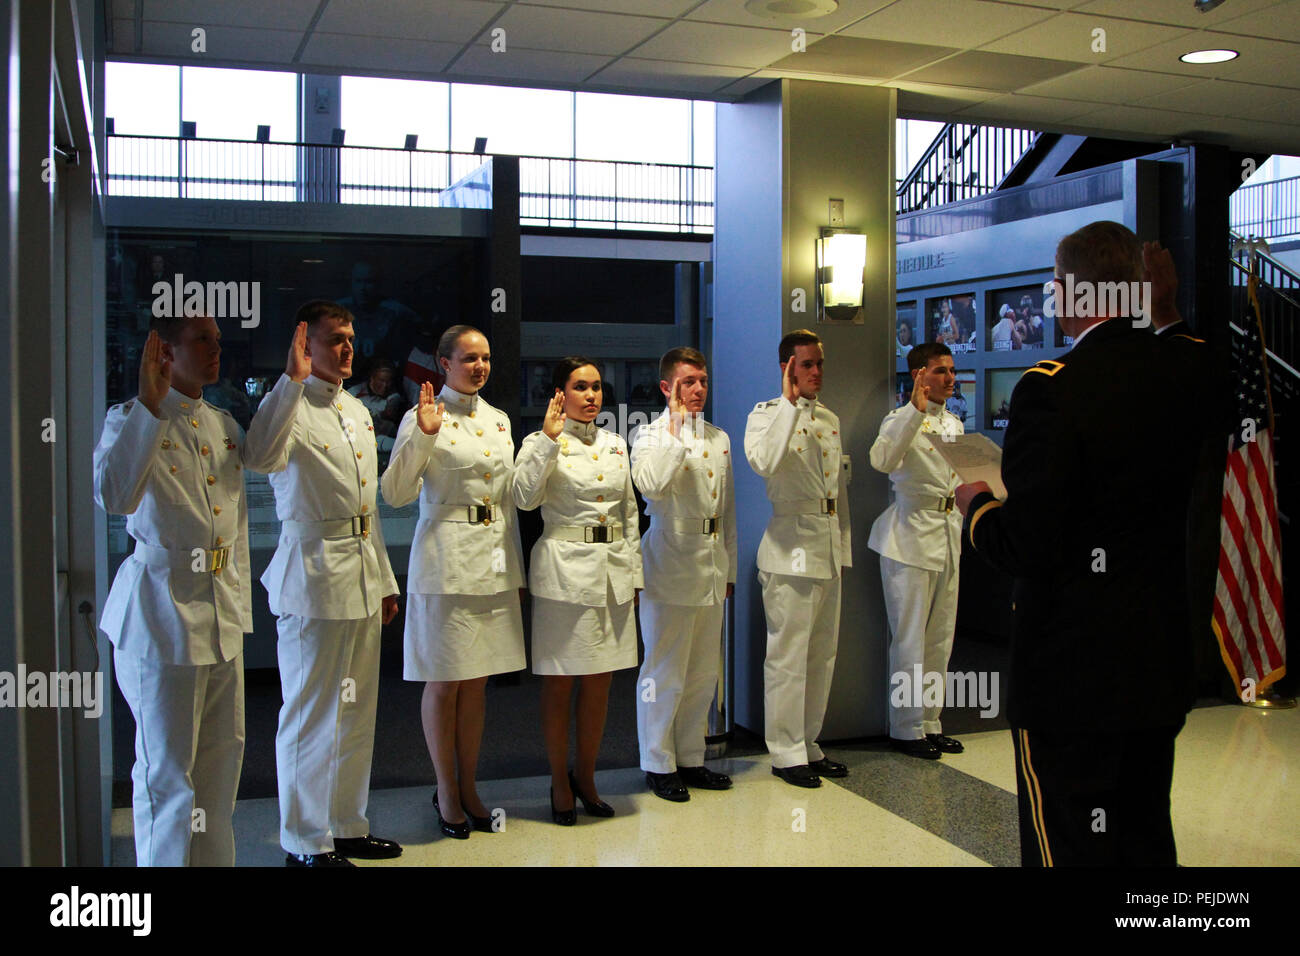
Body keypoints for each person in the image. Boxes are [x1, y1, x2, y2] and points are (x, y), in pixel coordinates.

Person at [955, 220, 1213, 866]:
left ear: (1070, 294)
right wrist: (1166, 306)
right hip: (1156, 667)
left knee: (1068, 847)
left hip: (1072, 682)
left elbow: (1027, 545)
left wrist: (977, 506)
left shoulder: (1050, 389)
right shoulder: (1185, 370)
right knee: (1146, 841)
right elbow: (1185, 347)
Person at [94, 315, 287, 866]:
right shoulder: (131, 419)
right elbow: (114, 495)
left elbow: (266, 459)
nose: (216, 350)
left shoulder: (221, 424)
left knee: (219, 770)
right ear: (164, 352)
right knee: (166, 776)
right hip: (160, 615)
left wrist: (292, 383)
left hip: (220, 614)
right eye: (202, 340)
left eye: (219, 341)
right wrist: (150, 408)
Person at [243, 300, 403, 867]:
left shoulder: (357, 410)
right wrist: (290, 380)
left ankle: (346, 824)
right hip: (311, 578)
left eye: (351, 338)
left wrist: (385, 579)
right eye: (335, 338)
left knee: (357, 711)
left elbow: (369, 508)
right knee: (310, 715)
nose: (347, 348)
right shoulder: (286, 405)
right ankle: (305, 840)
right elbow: (258, 456)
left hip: (360, 576)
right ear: (304, 342)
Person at [380, 325, 526, 839]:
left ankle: (468, 785)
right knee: (445, 681)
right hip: (444, 561)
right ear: (444, 363)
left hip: (491, 562)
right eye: (469, 358)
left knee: (478, 681)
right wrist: (421, 433)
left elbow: (508, 501)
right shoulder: (424, 416)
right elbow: (395, 492)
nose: (480, 366)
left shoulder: (500, 420)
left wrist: (516, 572)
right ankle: (445, 790)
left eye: (486, 357)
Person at [512, 357, 643, 824]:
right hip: (564, 576)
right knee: (559, 683)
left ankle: (586, 776)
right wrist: (548, 440)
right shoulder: (538, 441)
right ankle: (558, 781)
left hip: (612, 575)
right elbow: (524, 498)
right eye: (580, 387)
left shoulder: (614, 444)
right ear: (559, 394)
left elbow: (630, 513)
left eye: (596, 388)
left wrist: (635, 576)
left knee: (600, 682)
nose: (591, 396)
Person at [744, 329, 852, 788]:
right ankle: (785, 753)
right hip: (790, 549)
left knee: (822, 654)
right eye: (806, 364)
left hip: (825, 548)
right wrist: (788, 404)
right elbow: (764, 463)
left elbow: (837, 493)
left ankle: (809, 743)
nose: (815, 372)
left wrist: (842, 549)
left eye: (819, 363)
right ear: (787, 366)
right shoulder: (765, 415)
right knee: (787, 656)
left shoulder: (829, 418)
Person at [630, 347, 737, 802]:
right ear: (666, 388)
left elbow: (728, 511)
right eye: (688, 382)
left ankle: (691, 756)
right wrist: (674, 430)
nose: (698, 390)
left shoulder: (719, 438)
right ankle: (658, 760)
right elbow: (651, 485)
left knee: (702, 671)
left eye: (703, 381)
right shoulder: (649, 436)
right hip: (669, 559)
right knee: (665, 668)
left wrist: (728, 565)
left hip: (710, 562)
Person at [868, 342, 965, 760]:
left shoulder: (956, 424)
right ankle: (905, 728)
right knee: (908, 639)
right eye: (940, 371)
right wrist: (914, 411)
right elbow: (882, 460)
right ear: (919, 375)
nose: (950, 378)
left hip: (947, 533)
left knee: (940, 637)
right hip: (908, 536)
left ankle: (929, 721)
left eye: (951, 370)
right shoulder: (899, 420)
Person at [348, 359, 407, 440]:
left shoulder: (394, 397)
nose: (385, 385)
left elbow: (390, 414)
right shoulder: (354, 392)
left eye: (388, 381)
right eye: (382, 380)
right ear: (372, 378)